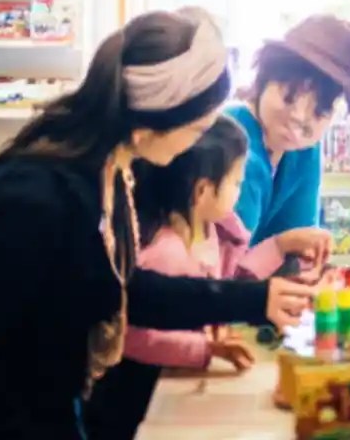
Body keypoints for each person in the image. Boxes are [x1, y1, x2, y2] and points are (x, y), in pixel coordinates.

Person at [0, 9, 316, 440]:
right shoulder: (39, 196)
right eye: (197, 127)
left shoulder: (109, 169)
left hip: (39, 394)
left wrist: (254, 298)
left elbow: (120, 288)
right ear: (156, 121)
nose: (196, 143)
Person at [84, 116, 332, 439]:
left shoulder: (212, 231)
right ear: (202, 190)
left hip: (181, 385)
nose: (238, 192)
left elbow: (231, 282)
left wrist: (281, 245)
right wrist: (203, 348)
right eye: (236, 183)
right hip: (138, 402)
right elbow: (135, 337)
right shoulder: (164, 252)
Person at [227, 15, 350, 244]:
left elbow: (299, 245)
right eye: (289, 96)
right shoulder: (230, 139)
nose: (298, 116)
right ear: (263, 80)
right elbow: (223, 266)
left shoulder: (304, 153)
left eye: (319, 110)